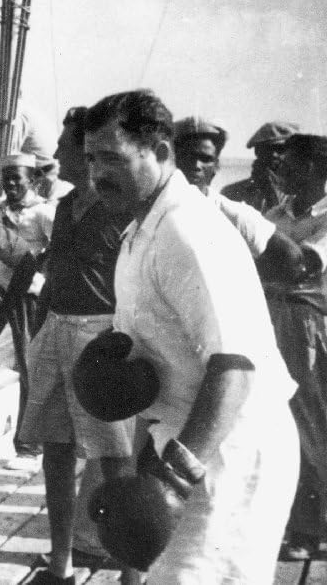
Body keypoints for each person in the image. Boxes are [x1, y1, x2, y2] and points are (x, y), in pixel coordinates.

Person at [83, 89, 298, 583]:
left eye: (112, 158)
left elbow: (236, 368)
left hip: (228, 452)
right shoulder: (140, 230)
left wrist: (172, 485)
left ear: (160, 153)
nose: (97, 174)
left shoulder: (186, 230)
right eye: (92, 157)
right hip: (188, 444)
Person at [17, 108, 139, 585]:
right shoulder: (64, 209)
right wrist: (40, 328)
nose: (56, 156)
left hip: (100, 336)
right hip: (56, 330)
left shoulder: (119, 209)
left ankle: (132, 573)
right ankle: (61, 562)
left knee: (114, 459)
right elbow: (56, 270)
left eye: (64, 148)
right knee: (56, 450)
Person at [259, 132, 327, 560]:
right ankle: (295, 523)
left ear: (314, 169)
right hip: (270, 316)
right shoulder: (276, 212)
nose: (280, 169)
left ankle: (313, 530)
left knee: (313, 424)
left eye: (289, 162)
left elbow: (301, 261)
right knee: (279, 423)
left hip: (305, 324)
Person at [0, 152, 55, 472]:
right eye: (7, 177)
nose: (11, 183)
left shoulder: (43, 213)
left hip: (30, 297)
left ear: (33, 180)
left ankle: (31, 446)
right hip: (2, 295)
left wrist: (38, 266)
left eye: (18, 177)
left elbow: (60, 249)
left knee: (31, 364)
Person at [172, 116, 277, 258]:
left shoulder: (234, 216)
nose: (196, 165)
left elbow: (293, 257)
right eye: (187, 156)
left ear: (216, 166)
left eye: (205, 159)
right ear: (172, 160)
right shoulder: (151, 211)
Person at [221, 120, 298, 212]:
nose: (274, 154)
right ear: (257, 152)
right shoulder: (232, 192)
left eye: (280, 149)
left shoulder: (302, 193)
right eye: (267, 149)